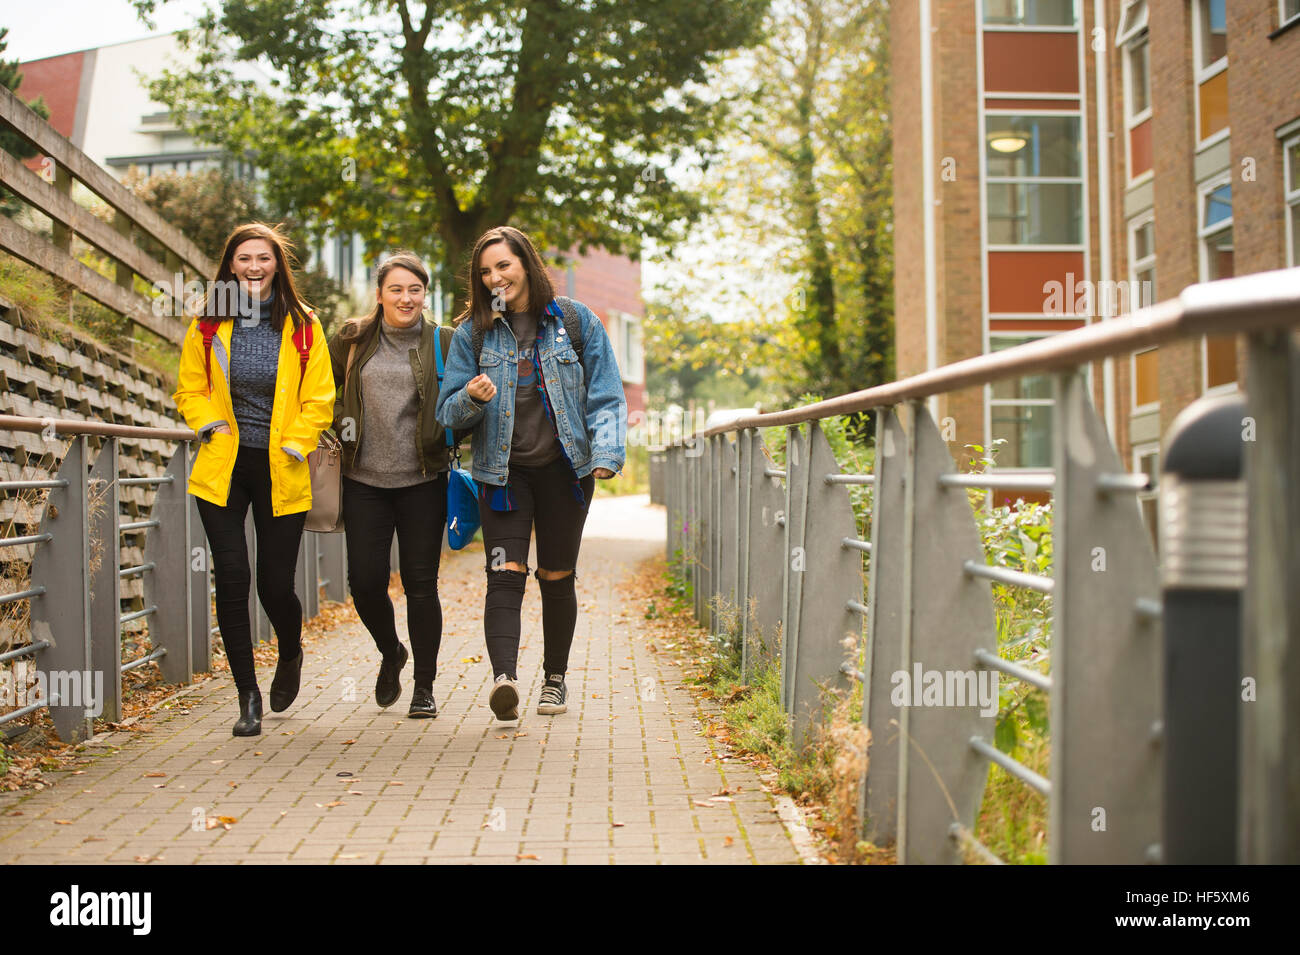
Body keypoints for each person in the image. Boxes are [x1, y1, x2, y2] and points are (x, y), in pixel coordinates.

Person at [435, 226, 626, 720]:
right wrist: (470, 399)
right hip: (503, 475)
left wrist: (606, 452)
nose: (496, 277)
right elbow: (447, 412)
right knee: (504, 572)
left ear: (526, 264)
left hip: (566, 472)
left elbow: (605, 392)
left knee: (557, 576)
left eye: (504, 265)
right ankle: (504, 680)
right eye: (486, 271)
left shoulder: (576, 321)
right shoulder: (473, 332)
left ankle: (555, 679)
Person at [173, 222, 335, 737]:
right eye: (244, 259)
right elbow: (188, 389)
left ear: (276, 265)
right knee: (233, 577)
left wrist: (299, 437)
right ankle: (247, 695)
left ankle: (290, 651)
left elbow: (321, 398)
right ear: (230, 266)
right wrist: (207, 421)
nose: (253, 268)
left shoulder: (304, 325)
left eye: (263, 259)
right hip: (224, 466)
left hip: (281, 466)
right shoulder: (206, 324)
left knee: (274, 586)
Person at [327, 252, 452, 718]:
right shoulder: (352, 338)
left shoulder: (445, 341)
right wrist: (336, 426)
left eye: (414, 289)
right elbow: (324, 392)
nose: (405, 298)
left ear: (425, 294)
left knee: (422, 585)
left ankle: (424, 686)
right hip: (363, 480)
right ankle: (390, 651)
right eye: (395, 289)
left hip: (424, 479)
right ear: (379, 295)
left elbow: (460, 401)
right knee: (364, 583)